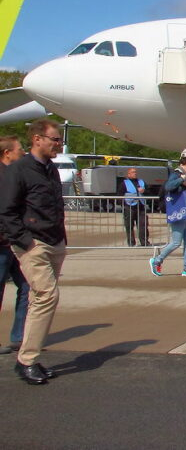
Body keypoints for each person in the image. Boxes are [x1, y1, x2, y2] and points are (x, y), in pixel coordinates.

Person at [0, 119, 68, 385]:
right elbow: (7, 211)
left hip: (55, 242)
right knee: (46, 296)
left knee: (41, 300)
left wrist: (61, 238)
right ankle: (26, 360)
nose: (58, 145)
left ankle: (30, 357)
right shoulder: (18, 170)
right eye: (55, 140)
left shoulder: (50, 169)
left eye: (59, 140)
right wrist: (25, 241)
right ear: (37, 139)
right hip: (34, 244)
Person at [0, 136, 29, 355]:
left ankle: (19, 337)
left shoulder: (13, 174)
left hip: (13, 243)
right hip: (3, 243)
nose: (23, 152)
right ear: (7, 153)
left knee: (27, 287)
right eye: (20, 149)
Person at [149, 156, 186, 276]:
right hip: (178, 211)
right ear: (182, 164)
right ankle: (157, 260)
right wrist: (181, 180)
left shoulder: (185, 176)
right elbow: (168, 186)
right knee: (176, 242)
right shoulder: (176, 174)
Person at [121, 167, 149, 246]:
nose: (135, 173)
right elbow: (120, 194)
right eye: (133, 172)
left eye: (135, 172)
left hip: (141, 206)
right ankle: (131, 243)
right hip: (129, 206)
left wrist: (144, 191)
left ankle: (144, 242)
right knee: (129, 225)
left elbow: (149, 191)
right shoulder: (124, 183)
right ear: (128, 174)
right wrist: (123, 205)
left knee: (143, 225)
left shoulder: (141, 182)